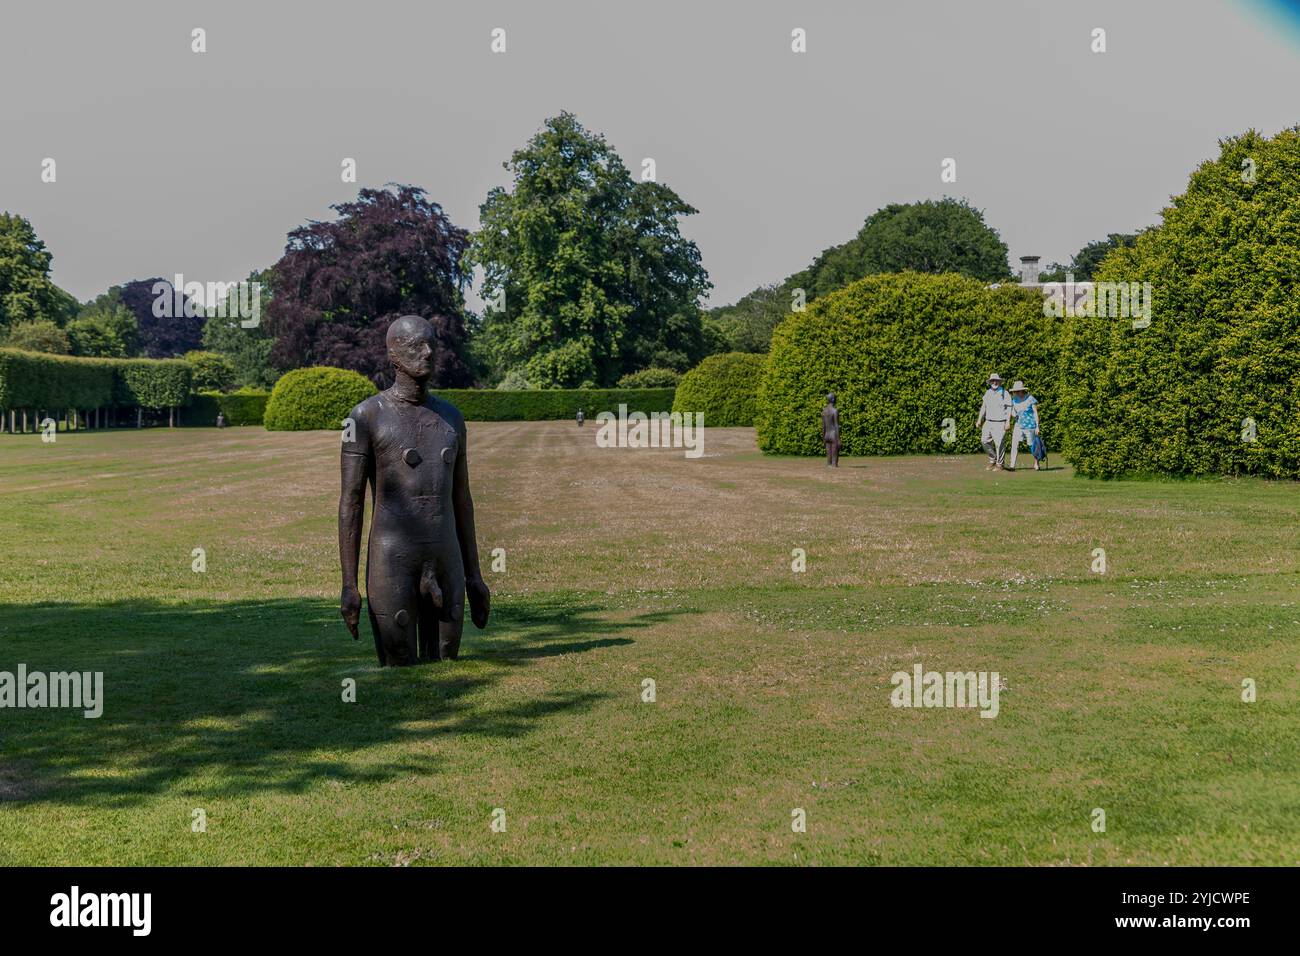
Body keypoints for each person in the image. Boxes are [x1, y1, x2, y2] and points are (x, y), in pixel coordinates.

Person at [338, 315, 491, 665]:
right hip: (393, 558)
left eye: (431, 344)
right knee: (398, 663)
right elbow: (351, 502)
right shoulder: (364, 417)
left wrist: (474, 576)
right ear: (393, 354)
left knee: (446, 660)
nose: (427, 352)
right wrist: (350, 586)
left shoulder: (452, 418)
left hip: (445, 555)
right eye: (415, 345)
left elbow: (462, 500)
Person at [976, 373, 1011, 470]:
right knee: (984, 441)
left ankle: (1000, 464)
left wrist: (1008, 422)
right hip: (988, 422)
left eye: (996, 381)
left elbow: (1009, 408)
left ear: (1000, 382)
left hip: (1000, 422)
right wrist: (979, 419)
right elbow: (984, 407)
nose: (994, 382)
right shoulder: (987, 393)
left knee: (999, 444)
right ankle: (993, 459)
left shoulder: (1005, 393)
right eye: (992, 381)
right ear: (990, 382)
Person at [1006, 381, 1043, 471]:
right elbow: (1012, 412)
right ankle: (1012, 465)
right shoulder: (1014, 400)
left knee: (1033, 446)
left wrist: (1037, 426)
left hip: (1030, 426)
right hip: (1018, 425)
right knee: (1015, 444)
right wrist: (1012, 414)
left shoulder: (1030, 398)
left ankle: (1036, 463)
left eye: (1019, 391)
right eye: (1016, 391)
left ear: (1023, 390)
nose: (1017, 393)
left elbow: (1035, 412)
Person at [821, 393, 840, 467]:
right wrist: (838, 439)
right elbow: (836, 425)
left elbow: (823, 426)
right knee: (834, 456)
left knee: (829, 453)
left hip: (827, 434)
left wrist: (823, 437)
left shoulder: (824, 411)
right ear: (833, 400)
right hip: (833, 434)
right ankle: (834, 464)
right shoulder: (835, 411)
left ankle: (829, 464)